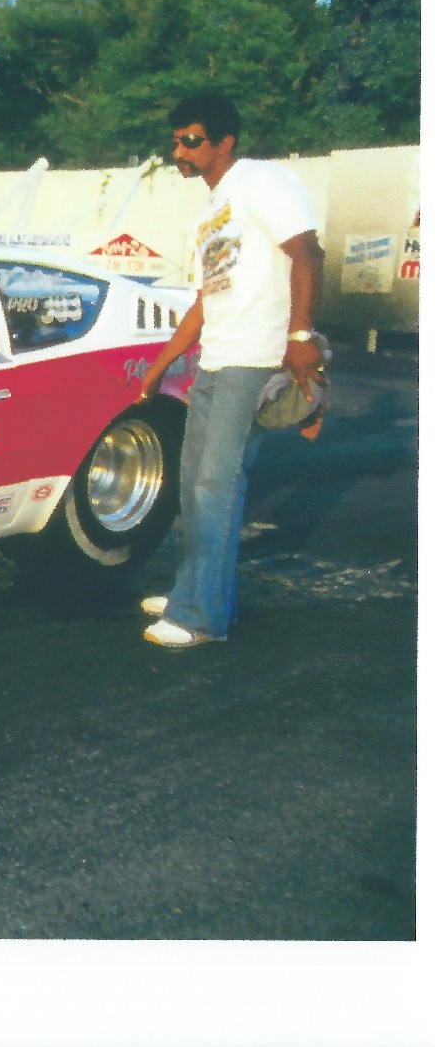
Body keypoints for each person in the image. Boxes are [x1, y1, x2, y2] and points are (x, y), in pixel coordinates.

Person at [135, 91, 324, 650]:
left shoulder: (263, 182)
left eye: (191, 139)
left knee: (218, 482)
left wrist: (300, 336)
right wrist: (163, 363)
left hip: (255, 356)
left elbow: (308, 253)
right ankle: (195, 590)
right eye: (175, 141)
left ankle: (201, 618)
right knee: (194, 484)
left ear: (224, 142)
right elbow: (204, 299)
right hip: (215, 360)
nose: (180, 150)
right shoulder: (207, 213)